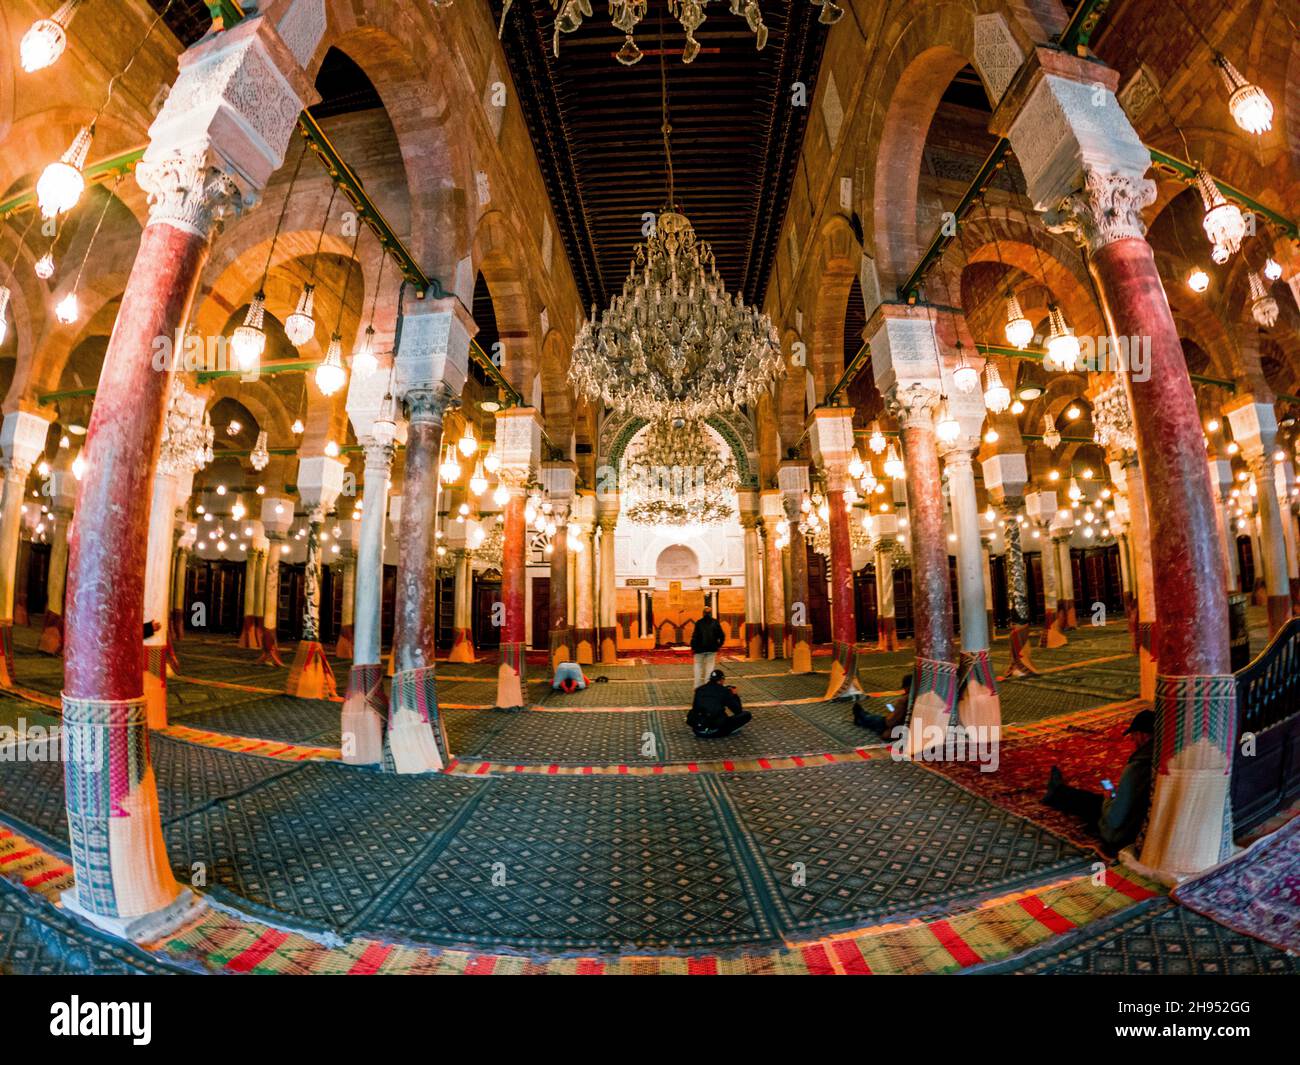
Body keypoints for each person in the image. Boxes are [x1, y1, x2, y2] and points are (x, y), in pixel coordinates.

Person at [1043, 709, 1155, 854]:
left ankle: (1056, 792)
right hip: (1143, 827)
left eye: (1133, 735)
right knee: (1098, 799)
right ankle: (1058, 791)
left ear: (1142, 735)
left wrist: (1108, 798)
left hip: (1122, 835)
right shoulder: (1162, 757)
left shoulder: (1136, 768)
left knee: (1091, 803)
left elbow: (1114, 819)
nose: (1132, 739)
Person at [687, 668, 752, 738]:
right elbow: (738, 710)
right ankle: (724, 731)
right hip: (716, 730)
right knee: (747, 715)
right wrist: (735, 695)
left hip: (698, 730)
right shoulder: (724, 691)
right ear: (721, 680)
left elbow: (695, 708)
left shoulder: (699, 690)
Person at [690, 606, 726, 689]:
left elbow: (695, 636)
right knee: (710, 666)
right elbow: (722, 635)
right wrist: (719, 645)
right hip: (712, 648)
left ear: (703, 614)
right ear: (710, 614)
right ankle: (707, 684)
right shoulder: (715, 622)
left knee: (698, 666)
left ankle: (697, 686)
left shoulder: (699, 622)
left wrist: (693, 647)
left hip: (699, 649)